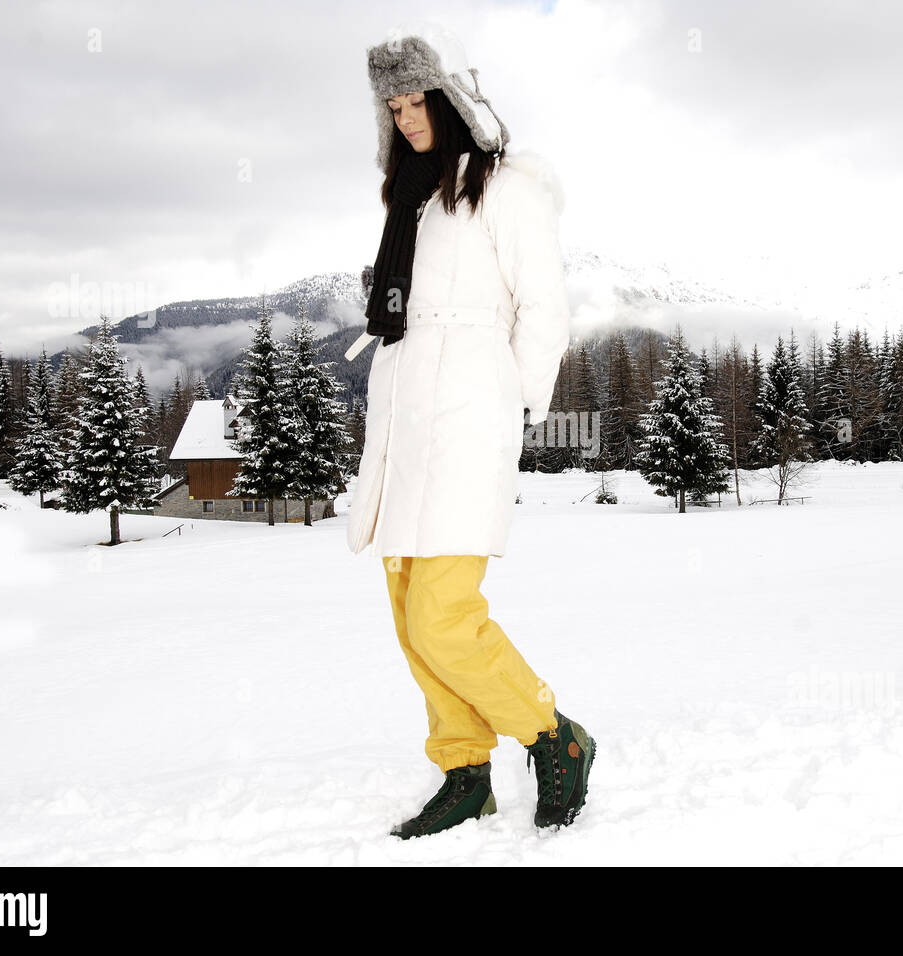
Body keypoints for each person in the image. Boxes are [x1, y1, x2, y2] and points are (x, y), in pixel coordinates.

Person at [343, 20, 596, 839]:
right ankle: (464, 768)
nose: (408, 115)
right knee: (407, 606)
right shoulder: (409, 199)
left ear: (446, 99)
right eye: (395, 105)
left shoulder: (503, 184)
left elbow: (544, 308)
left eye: (418, 99)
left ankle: (554, 735)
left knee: (444, 615)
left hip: (468, 410)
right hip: (406, 411)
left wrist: (513, 405)